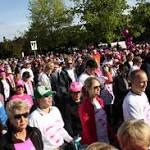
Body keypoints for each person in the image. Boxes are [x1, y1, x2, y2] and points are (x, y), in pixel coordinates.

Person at [29, 85, 73, 150]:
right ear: (38, 99)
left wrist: (71, 140)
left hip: (63, 146)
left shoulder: (55, 110)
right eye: (46, 96)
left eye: (50, 95)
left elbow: (60, 129)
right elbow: (33, 141)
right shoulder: (33, 118)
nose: (50, 97)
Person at [79, 77, 109, 145]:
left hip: (105, 137)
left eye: (99, 86)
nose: (99, 89)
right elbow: (87, 129)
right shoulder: (84, 106)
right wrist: (95, 144)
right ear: (88, 89)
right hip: (95, 141)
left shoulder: (100, 101)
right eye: (95, 87)